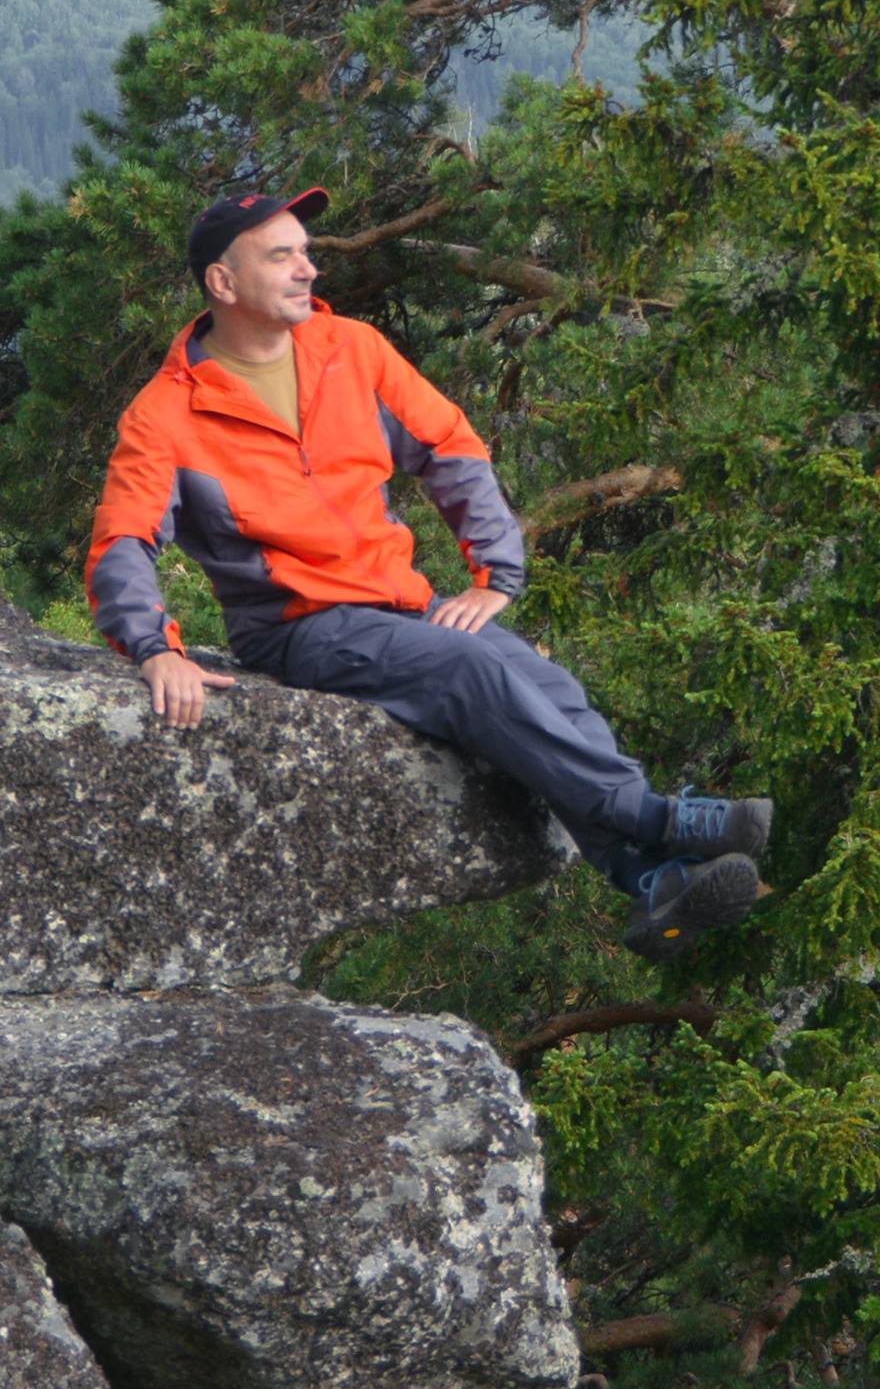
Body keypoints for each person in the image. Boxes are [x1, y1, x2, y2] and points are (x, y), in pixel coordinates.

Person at [86, 188, 768, 959]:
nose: (308, 267)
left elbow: (451, 445)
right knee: (470, 670)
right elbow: (122, 540)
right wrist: (156, 647)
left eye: (306, 251)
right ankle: (651, 816)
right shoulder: (166, 414)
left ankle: (651, 881)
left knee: (548, 686)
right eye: (282, 255)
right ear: (222, 281)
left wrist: (494, 577)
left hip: (401, 603)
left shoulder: (352, 349)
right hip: (298, 626)